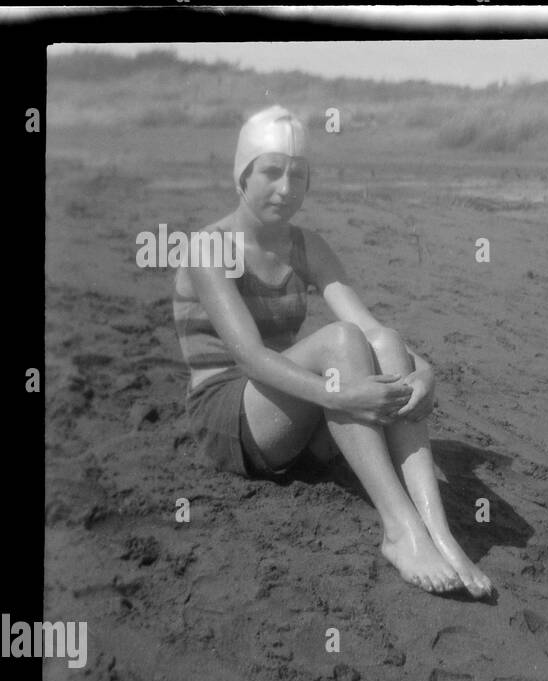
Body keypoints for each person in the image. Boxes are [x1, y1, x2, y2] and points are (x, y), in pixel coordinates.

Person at [173, 105, 492, 598]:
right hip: (232, 419)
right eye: (271, 172)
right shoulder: (207, 248)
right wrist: (339, 396)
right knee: (341, 342)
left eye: (298, 175)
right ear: (242, 175)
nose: (286, 188)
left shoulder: (308, 246)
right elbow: (250, 358)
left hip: (291, 411)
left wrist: (425, 373)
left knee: (384, 342)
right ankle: (400, 530)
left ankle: (439, 532)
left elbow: (372, 327)